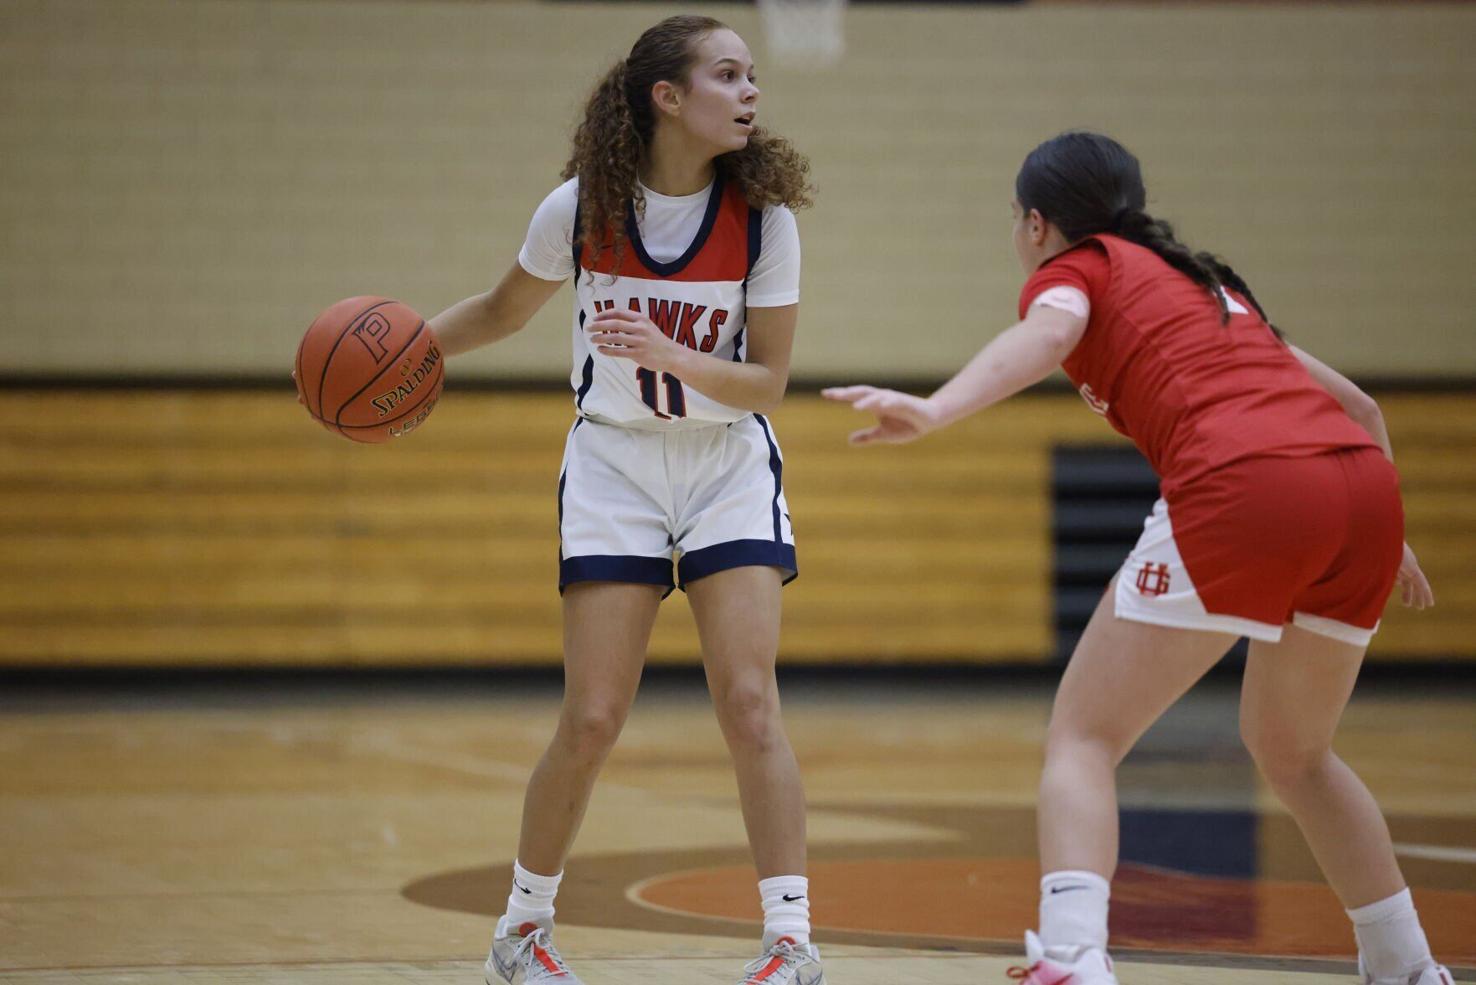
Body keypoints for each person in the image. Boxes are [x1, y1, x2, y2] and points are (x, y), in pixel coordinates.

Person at [824, 131, 1449, 985]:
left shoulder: (1075, 271)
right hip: (1361, 495)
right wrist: (1375, 522)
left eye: (1016, 222)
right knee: (1296, 751)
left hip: (1246, 485)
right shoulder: (1210, 287)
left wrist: (937, 409)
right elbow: (1359, 405)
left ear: (1037, 225)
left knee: (1082, 735)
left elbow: (1046, 339)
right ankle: (1409, 965)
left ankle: (1076, 957)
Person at [427, 15, 822, 985]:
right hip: (615, 467)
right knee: (594, 715)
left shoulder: (766, 220)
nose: (749, 91)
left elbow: (769, 381)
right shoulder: (579, 209)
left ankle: (791, 941)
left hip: (726, 460)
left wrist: (673, 353)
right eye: (727, 74)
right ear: (668, 97)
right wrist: (409, 360)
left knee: (750, 702)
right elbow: (497, 311)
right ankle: (521, 930)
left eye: (751, 75)